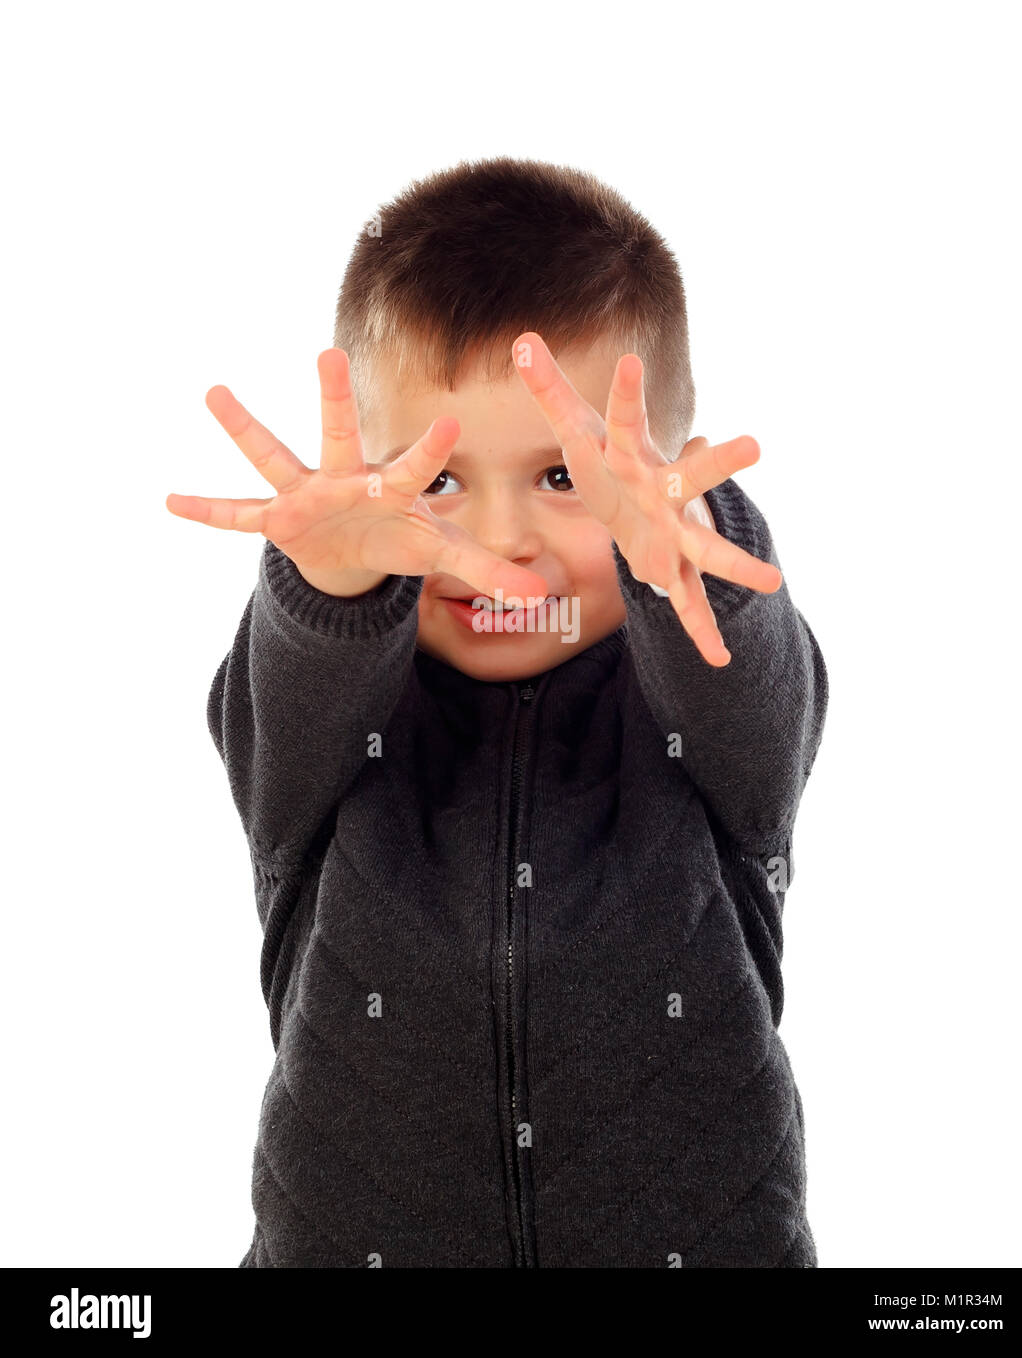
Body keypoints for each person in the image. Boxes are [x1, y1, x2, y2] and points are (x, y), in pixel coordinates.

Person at [166, 156, 829, 1268]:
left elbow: (759, 702)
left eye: (567, 479)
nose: (505, 538)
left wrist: (686, 569)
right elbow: (279, 701)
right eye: (437, 481)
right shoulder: (333, 721)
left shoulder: (695, 713)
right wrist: (326, 589)